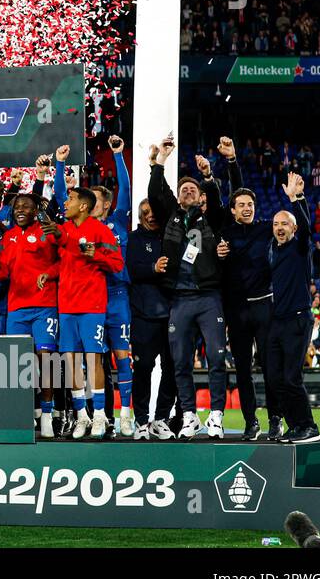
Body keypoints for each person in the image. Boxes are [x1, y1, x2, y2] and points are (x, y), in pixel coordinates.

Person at [148, 138, 229, 440]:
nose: (188, 191)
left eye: (193, 189)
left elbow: (219, 202)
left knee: (217, 358)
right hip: (179, 298)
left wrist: (208, 176)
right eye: (183, 189)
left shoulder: (211, 218)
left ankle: (217, 416)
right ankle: (190, 416)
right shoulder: (171, 215)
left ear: (200, 196)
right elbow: (156, 193)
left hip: (208, 297)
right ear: (178, 197)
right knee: (180, 361)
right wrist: (161, 162)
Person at [214, 136, 283, 440]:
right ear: (232, 210)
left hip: (264, 305)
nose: (246, 207)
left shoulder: (267, 227)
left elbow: (292, 232)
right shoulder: (224, 232)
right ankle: (250, 421)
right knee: (243, 368)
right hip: (238, 308)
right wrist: (230, 163)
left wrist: (232, 161)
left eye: (250, 204)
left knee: (270, 366)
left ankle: (276, 419)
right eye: (240, 205)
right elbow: (232, 191)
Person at [43, 184, 124, 438]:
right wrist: (49, 273)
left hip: (92, 305)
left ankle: (99, 415)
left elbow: (117, 264)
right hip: (66, 305)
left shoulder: (101, 231)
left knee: (93, 359)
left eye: (71, 199)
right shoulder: (64, 230)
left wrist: (96, 254)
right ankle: (81, 416)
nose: (66, 202)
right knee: (70, 361)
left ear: (84, 206)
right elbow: (65, 262)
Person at [0, 193, 60, 436]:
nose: (20, 210)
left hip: (44, 305)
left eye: (26, 207)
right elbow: (3, 270)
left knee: (46, 359)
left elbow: (64, 261)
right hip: (17, 309)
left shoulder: (48, 231)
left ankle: (47, 415)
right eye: (17, 207)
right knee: (20, 364)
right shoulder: (9, 237)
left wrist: (49, 274)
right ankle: (26, 414)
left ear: (36, 211)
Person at [267, 173, 320, 443]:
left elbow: (308, 229)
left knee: (290, 377)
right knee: (276, 379)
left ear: (293, 228)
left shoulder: (300, 249)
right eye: (276, 223)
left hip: (297, 319)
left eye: (284, 224)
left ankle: (308, 425)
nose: (279, 227)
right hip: (276, 321)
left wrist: (296, 199)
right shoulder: (272, 251)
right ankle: (295, 425)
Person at [87, 135, 135, 436]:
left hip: (117, 297)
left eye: (95, 199)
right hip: (90, 299)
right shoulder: (80, 227)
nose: (88, 204)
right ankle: (99, 416)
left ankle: (126, 413)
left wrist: (118, 155)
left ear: (105, 203)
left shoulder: (117, 219)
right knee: (92, 360)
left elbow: (126, 190)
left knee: (121, 356)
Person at [126, 199, 178, 439]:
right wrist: (153, 268)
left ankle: (161, 418)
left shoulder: (171, 238)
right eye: (145, 212)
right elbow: (131, 270)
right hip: (144, 316)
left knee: (172, 369)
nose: (151, 216)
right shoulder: (133, 239)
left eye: (154, 211)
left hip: (172, 316)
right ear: (139, 217)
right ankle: (141, 421)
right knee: (143, 368)